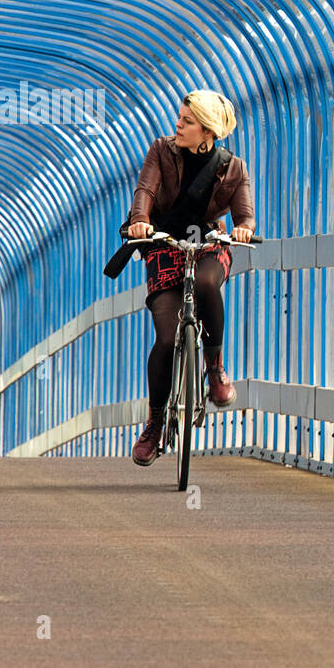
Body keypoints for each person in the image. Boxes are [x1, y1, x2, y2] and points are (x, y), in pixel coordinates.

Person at [123, 89, 256, 466]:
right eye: (179, 119)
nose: (177, 126)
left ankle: (214, 366)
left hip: (208, 244)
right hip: (164, 244)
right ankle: (154, 422)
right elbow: (145, 190)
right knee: (166, 339)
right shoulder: (161, 151)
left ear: (208, 132)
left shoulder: (232, 168)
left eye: (187, 122)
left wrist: (243, 229)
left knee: (205, 283)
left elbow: (244, 216)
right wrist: (140, 222)